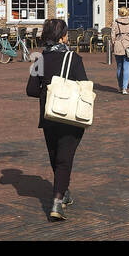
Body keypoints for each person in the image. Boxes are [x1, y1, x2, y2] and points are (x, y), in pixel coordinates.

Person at [26, 17, 89, 221]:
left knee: (55, 156)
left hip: (49, 114)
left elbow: (31, 90)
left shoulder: (40, 59)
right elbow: (84, 86)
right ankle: (57, 201)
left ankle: (64, 192)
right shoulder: (74, 58)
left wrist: (48, 91)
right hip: (70, 115)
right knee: (65, 158)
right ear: (63, 37)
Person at [111, 1, 129, 94]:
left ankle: (120, 87)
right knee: (127, 67)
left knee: (119, 67)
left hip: (118, 45)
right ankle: (125, 88)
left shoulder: (115, 23)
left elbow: (112, 35)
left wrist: (114, 43)